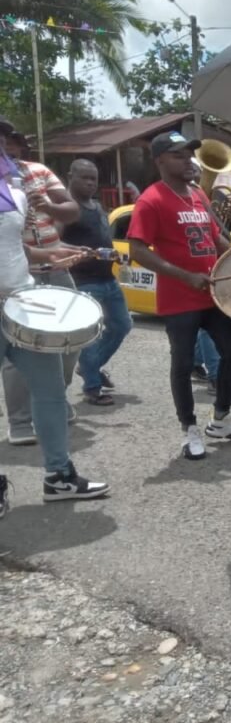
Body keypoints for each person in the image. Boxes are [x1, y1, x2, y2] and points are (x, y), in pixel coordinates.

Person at [127, 132, 231, 460]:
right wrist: (184, 276)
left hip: (212, 294)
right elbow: (138, 251)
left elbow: (217, 240)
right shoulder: (151, 199)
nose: (189, 161)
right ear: (160, 161)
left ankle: (222, 418)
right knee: (183, 363)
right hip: (178, 298)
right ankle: (189, 429)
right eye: (179, 155)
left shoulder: (198, 193)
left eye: (189, 154)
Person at [0, 124, 110, 502]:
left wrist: (47, 253)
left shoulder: (13, 192)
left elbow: (13, 246)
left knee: (49, 392)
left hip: (21, 301)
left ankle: (59, 476)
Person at [1, 121, 81, 444]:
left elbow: (72, 210)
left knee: (72, 334)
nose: (5, 146)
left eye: (8, 140)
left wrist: (48, 206)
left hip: (51, 261)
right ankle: (20, 422)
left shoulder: (37, 172)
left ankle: (53, 397)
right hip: (16, 275)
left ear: (19, 145)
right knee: (18, 349)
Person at [61, 159, 133, 406]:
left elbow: (104, 240)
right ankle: (92, 386)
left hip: (108, 279)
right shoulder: (66, 208)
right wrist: (84, 252)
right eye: (85, 178)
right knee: (89, 335)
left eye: (94, 178)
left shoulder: (97, 207)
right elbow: (53, 243)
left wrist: (115, 254)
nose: (91, 183)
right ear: (70, 177)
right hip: (82, 281)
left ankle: (90, 368)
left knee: (122, 325)